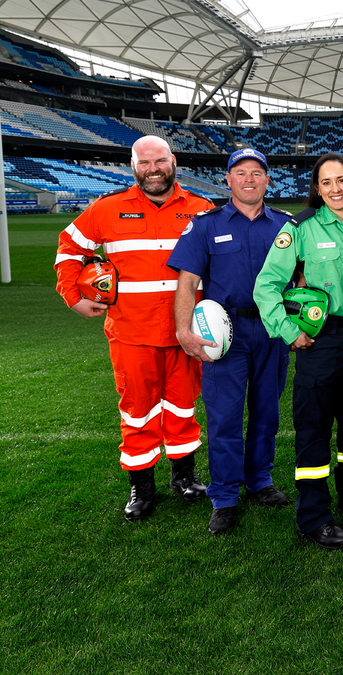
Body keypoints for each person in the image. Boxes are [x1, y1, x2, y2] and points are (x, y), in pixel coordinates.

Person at [54, 135, 213, 521]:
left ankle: (184, 477)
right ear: (133, 166)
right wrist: (72, 295)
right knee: (137, 412)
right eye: (144, 163)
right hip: (131, 333)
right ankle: (141, 488)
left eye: (159, 161)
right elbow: (69, 249)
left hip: (185, 331)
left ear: (173, 161)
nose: (153, 169)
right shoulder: (107, 209)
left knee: (181, 407)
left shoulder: (202, 209)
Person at [253, 152, 343, 551]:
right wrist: (289, 332)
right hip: (320, 341)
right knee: (313, 429)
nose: (335, 189)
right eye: (326, 183)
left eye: (341, 180)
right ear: (317, 189)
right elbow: (266, 286)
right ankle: (313, 516)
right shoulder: (301, 229)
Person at [168, 148, 293, 535]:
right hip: (225, 334)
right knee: (224, 417)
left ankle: (259, 479)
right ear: (229, 179)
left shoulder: (287, 225)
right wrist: (183, 330)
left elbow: (302, 279)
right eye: (241, 173)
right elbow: (186, 282)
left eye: (257, 173)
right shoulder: (205, 224)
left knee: (266, 412)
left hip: (273, 330)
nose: (250, 179)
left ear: (267, 180)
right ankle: (223, 495)